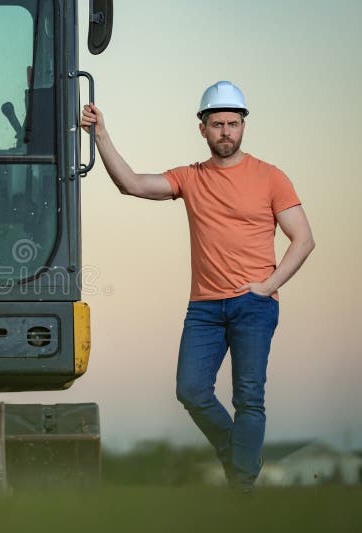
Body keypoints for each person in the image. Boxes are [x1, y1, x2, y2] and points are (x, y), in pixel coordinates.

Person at [81, 81, 315, 491]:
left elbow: (304, 239)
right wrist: (100, 135)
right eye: (217, 124)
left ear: (243, 126)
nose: (226, 131)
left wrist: (267, 286)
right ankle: (239, 458)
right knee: (191, 390)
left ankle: (241, 487)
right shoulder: (189, 178)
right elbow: (132, 184)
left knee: (249, 398)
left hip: (254, 304)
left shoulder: (271, 177)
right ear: (202, 128)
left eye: (233, 123)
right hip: (204, 307)